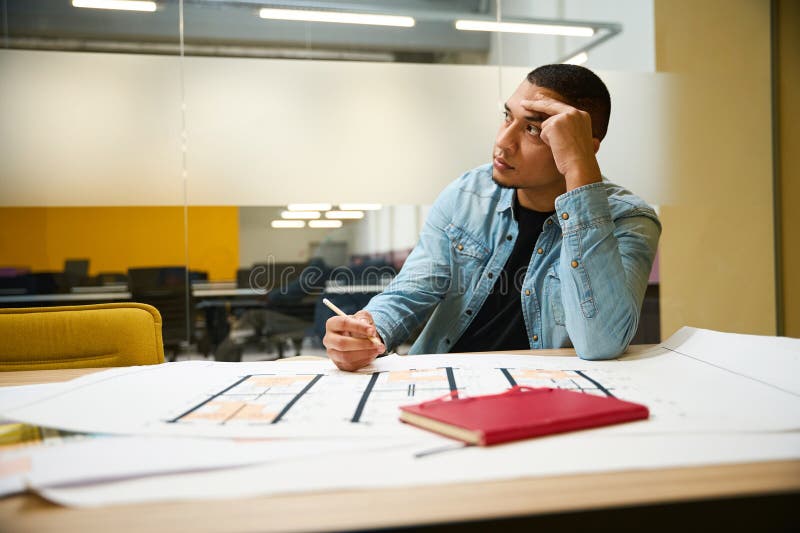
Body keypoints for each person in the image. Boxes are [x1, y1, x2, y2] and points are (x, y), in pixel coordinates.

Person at [323, 64, 661, 371]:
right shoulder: (467, 195)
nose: (502, 141)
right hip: (443, 383)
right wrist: (368, 328)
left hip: (545, 393)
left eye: (532, 129)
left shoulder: (629, 220)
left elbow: (600, 342)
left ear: (581, 146)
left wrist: (578, 170)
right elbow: (412, 291)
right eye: (507, 116)